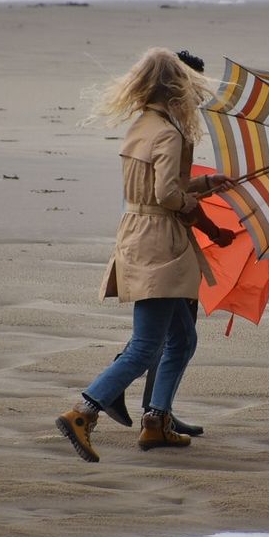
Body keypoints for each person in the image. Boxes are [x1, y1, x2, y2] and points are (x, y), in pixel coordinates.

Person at [55, 47, 234, 463]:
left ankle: (157, 420)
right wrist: (204, 217)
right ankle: (83, 411)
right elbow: (167, 195)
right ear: (177, 88)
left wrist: (206, 185)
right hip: (160, 241)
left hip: (138, 231)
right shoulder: (170, 131)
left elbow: (158, 186)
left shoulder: (143, 124)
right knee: (146, 344)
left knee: (182, 338)